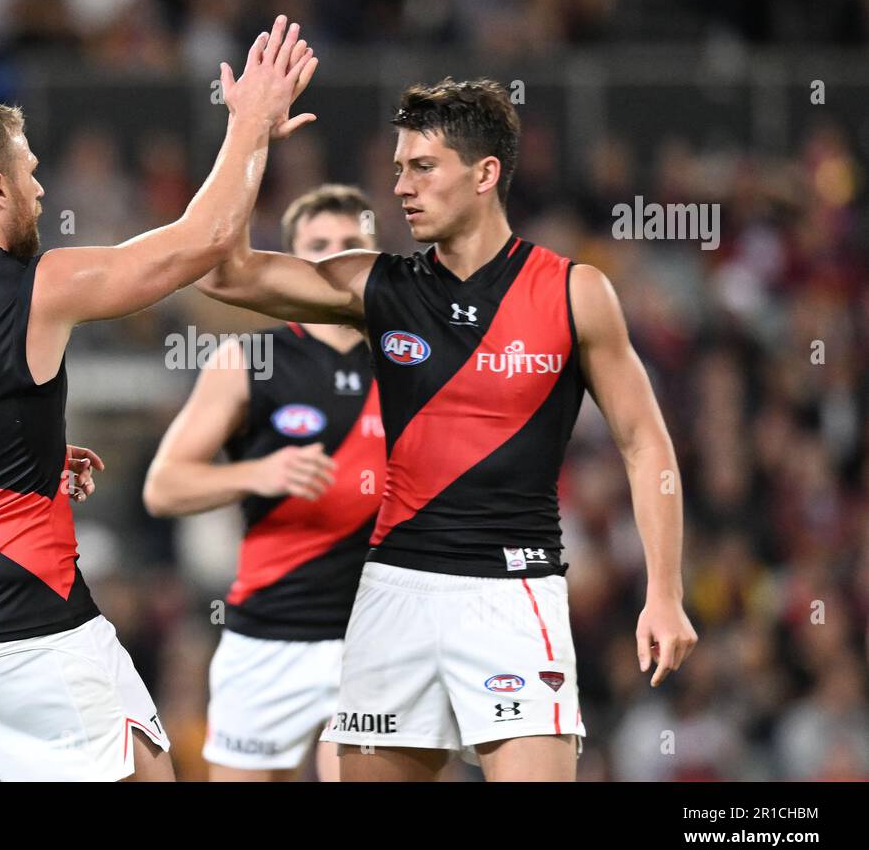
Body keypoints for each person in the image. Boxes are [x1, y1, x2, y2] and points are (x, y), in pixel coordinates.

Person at [0, 16, 318, 781]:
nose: (39, 186)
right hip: (27, 632)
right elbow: (205, 239)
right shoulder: (38, 287)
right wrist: (251, 123)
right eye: (28, 172)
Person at [195, 77, 698, 781]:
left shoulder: (573, 291)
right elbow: (222, 273)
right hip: (394, 594)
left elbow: (647, 444)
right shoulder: (378, 285)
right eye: (399, 168)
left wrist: (665, 592)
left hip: (513, 596)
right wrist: (248, 135)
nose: (401, 186)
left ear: (486, 174)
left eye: (423, 167)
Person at [143, 185, 386, 781]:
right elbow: (163, 487)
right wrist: (259, 472)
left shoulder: (408, 358)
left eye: (351, 245)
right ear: (290, 261)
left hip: (376, 638)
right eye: (318, 246)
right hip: (266, 633)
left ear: (375, 255)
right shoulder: (247, 359)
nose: (334, 257)